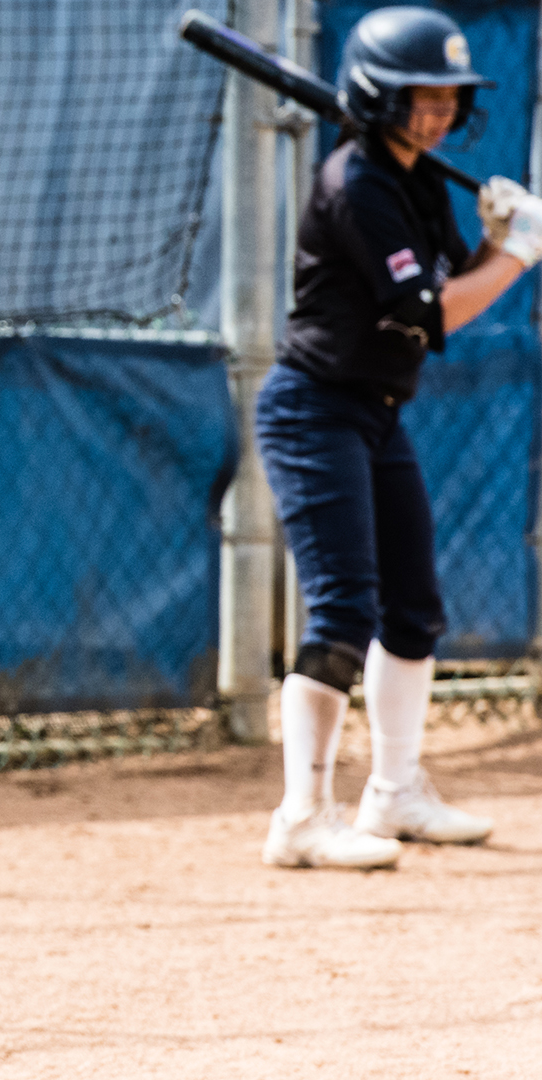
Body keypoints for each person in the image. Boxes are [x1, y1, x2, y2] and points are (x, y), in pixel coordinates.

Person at [258, 6, 540, 869]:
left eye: (450, 96)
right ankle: (302, 818)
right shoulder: (358, 185)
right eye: (422, 96)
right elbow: (431, 310)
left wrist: (492, 237)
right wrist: (521, 255)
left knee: (413, 606)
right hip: (314, 409)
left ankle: (395, 793)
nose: (442, 111)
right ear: (379, 95)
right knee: (344, 608)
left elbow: (454, 271)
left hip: (377, 410)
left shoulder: (414, 178)